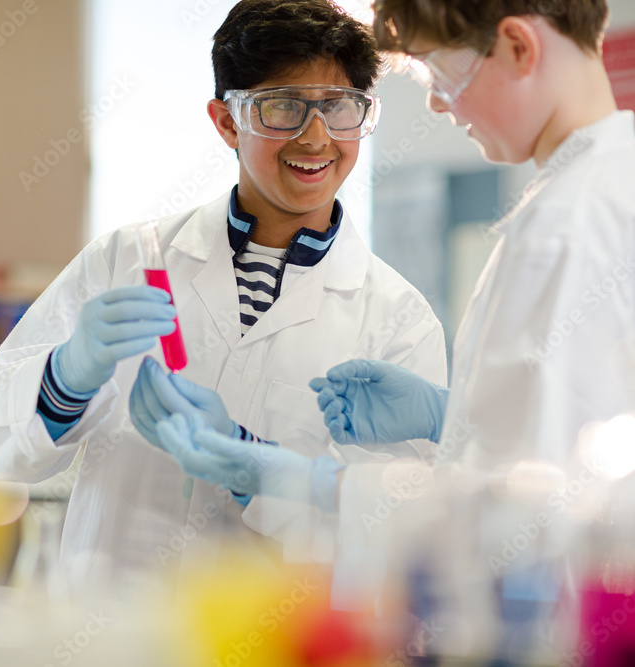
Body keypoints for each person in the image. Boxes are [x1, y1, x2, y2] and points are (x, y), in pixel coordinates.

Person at [0, 0, 447, 590]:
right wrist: (65, 376)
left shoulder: (399, 317)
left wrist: (255, 465)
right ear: (226, 122)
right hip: (111, 630)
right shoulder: (126, 260)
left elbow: (396, 534)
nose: (317, 136)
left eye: (340, 109)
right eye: (283, 108)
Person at [151, 0, 635, 565]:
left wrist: (314, 485)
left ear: (518, 48)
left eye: (440, 72)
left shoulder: (567, 225)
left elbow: (531, 520)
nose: (435, 101)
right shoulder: (600, 190)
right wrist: (451, 418)